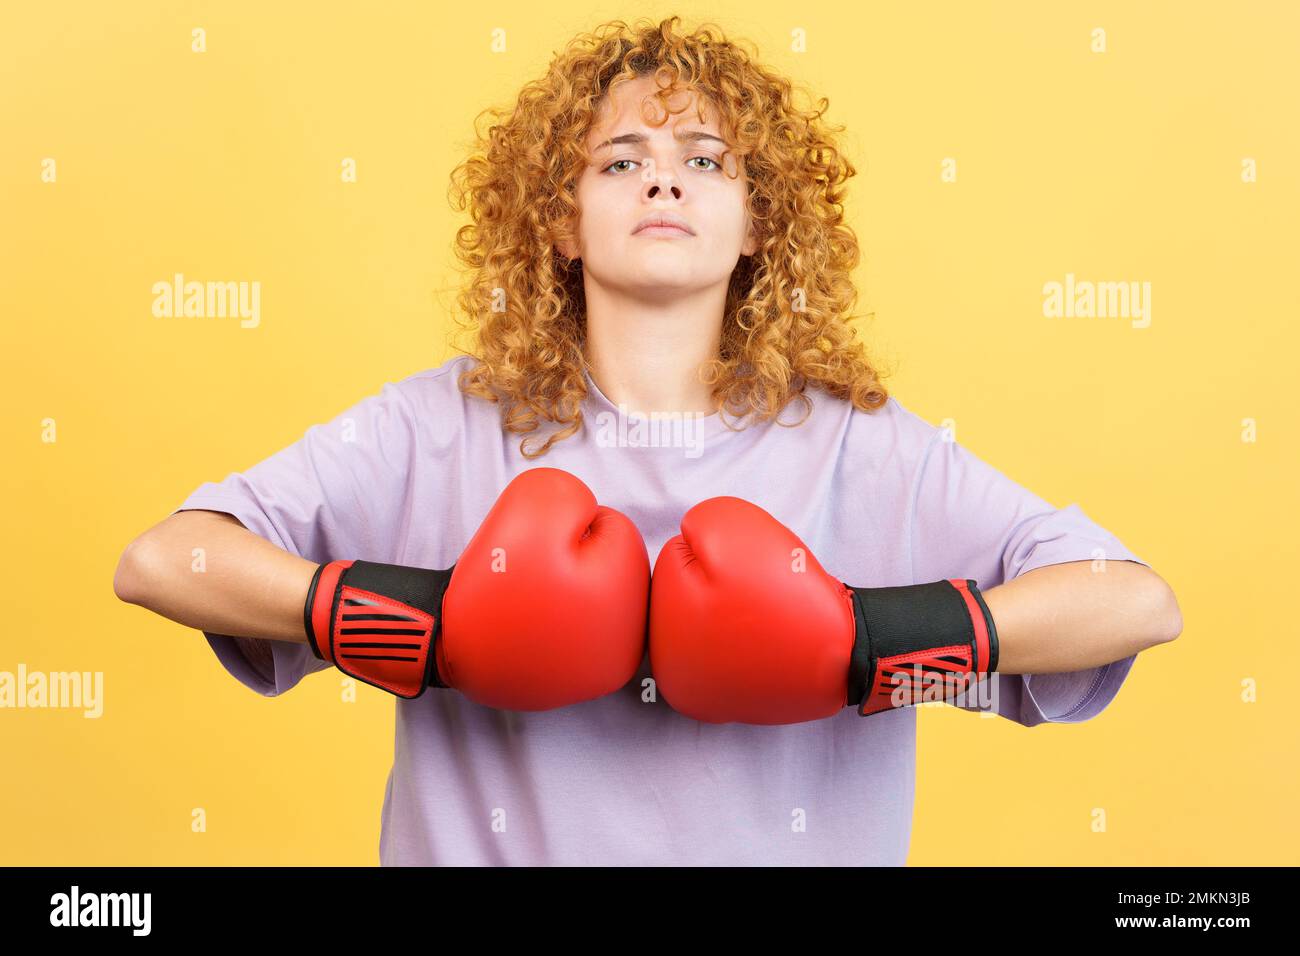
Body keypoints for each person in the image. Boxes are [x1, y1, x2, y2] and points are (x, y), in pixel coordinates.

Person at [113, 16, 1182, 865]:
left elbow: (1135, 600)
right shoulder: (438, 423)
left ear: (757, 222)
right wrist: (425, 627)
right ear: (562, 222)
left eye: (705, 159)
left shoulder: (861, 447)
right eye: (619, 161)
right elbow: (162, 559)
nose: (663, 179)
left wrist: (861, 645)